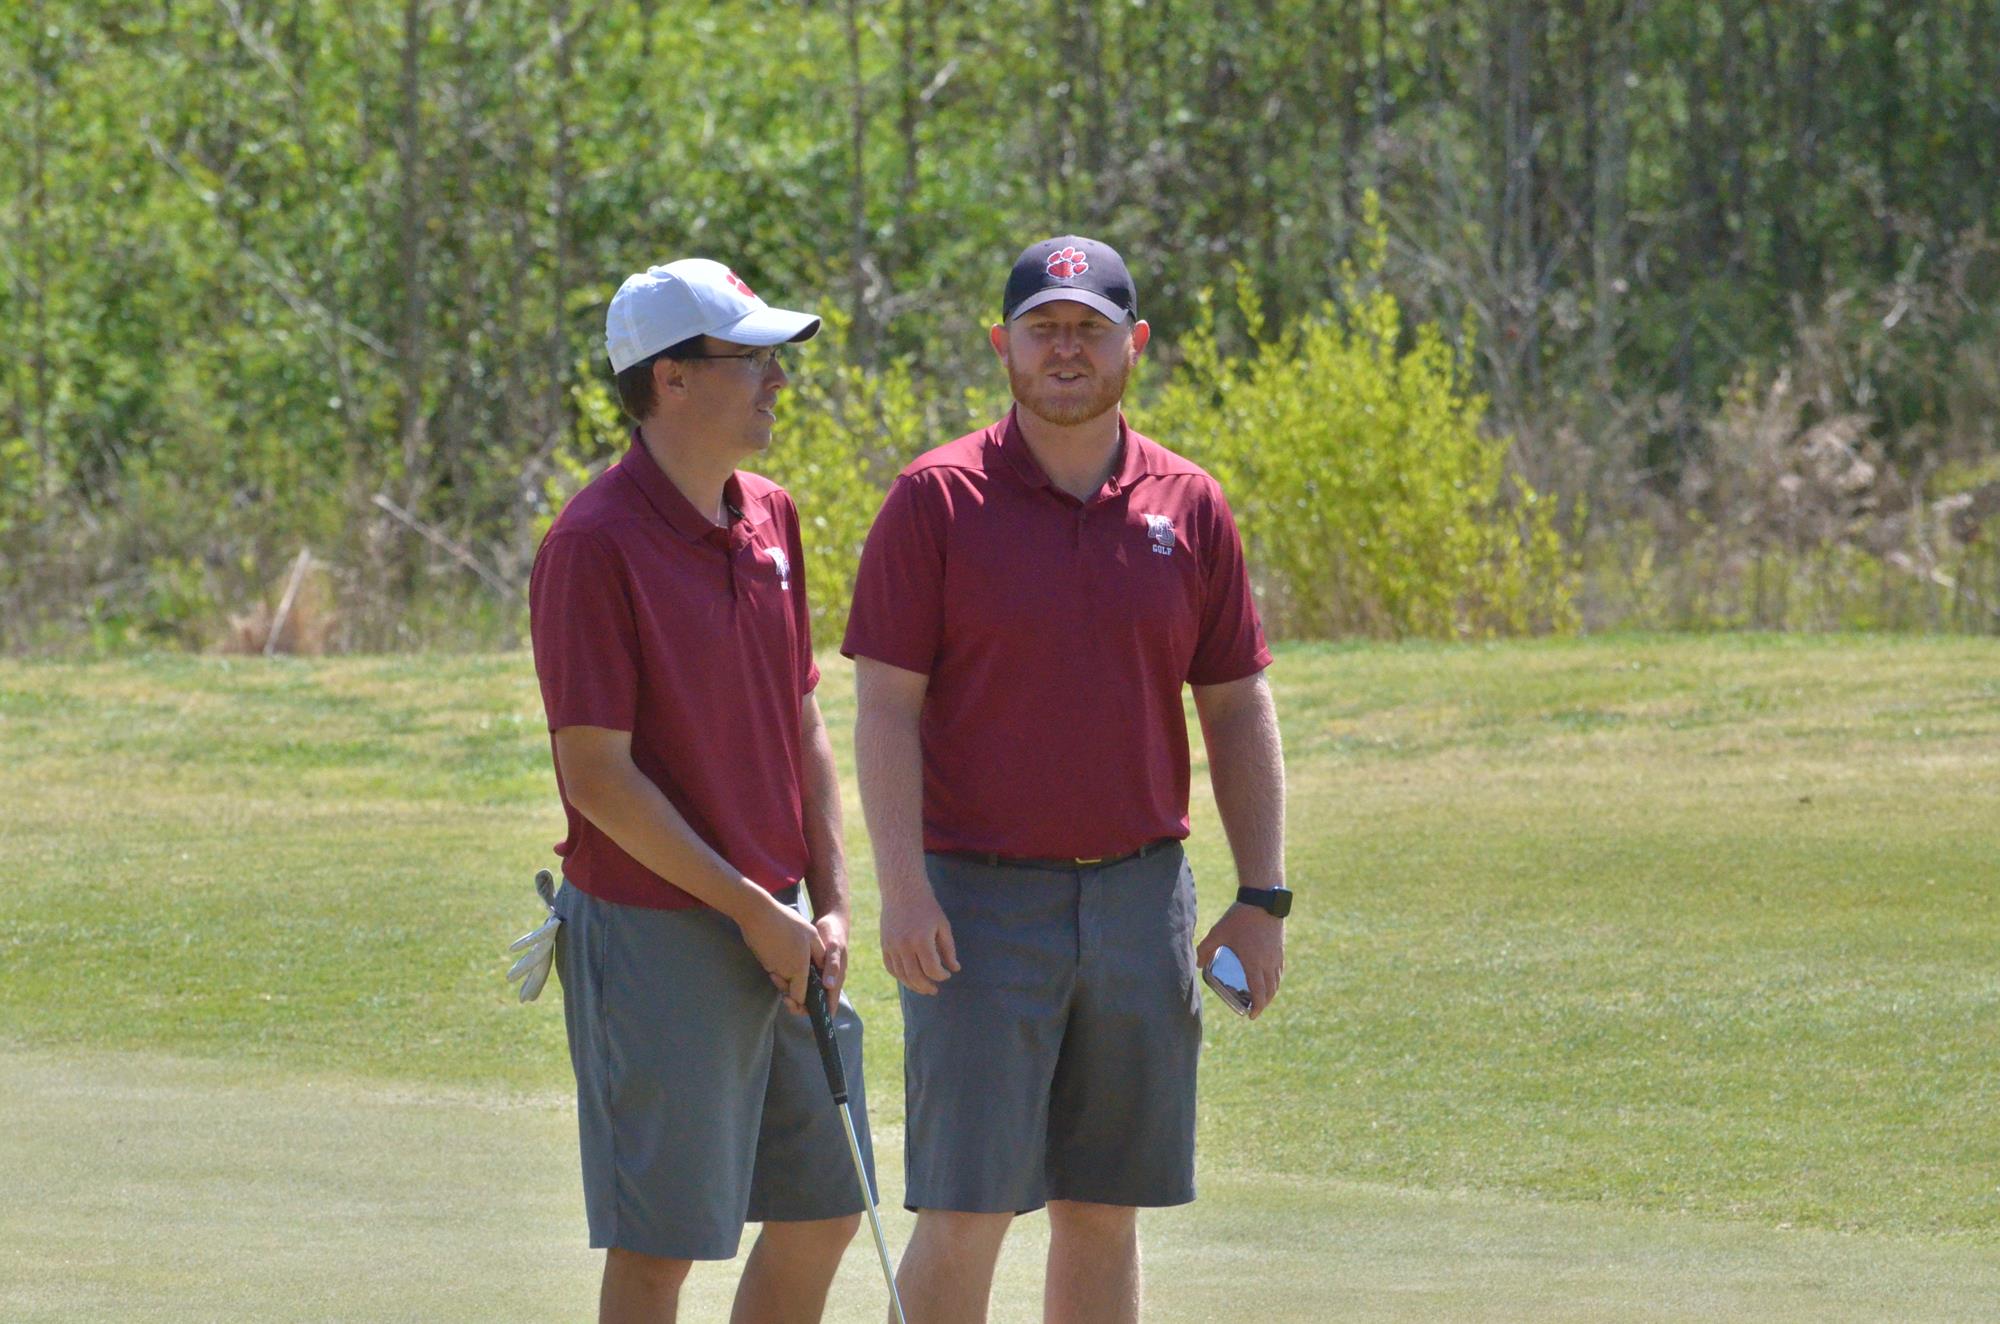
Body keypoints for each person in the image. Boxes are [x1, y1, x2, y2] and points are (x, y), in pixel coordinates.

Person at [842, 236, 1291, 1324]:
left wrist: (1260, 894)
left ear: (1132, 345)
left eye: (1087, 328)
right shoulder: (934, 499)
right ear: (1001, 345)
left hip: (1141, 898)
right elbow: (883, 710)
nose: (1064, 348)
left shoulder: (1188, 504)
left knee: (1102, 1207)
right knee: (967, 1205)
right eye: (1042, 328)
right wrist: (901, 890)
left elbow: (1233, 705)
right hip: (976, 903)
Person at [528, 257, 873, 1324]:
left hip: (779, 919)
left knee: (827, 1204)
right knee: (660, 1243)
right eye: (751, 359)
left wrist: (828, 900)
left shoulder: (769, 513)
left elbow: (801, 716)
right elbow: (598, 780)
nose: (778, 379)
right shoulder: (592, 545)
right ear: (669, 381)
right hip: (658, 930)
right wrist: (751, 910)